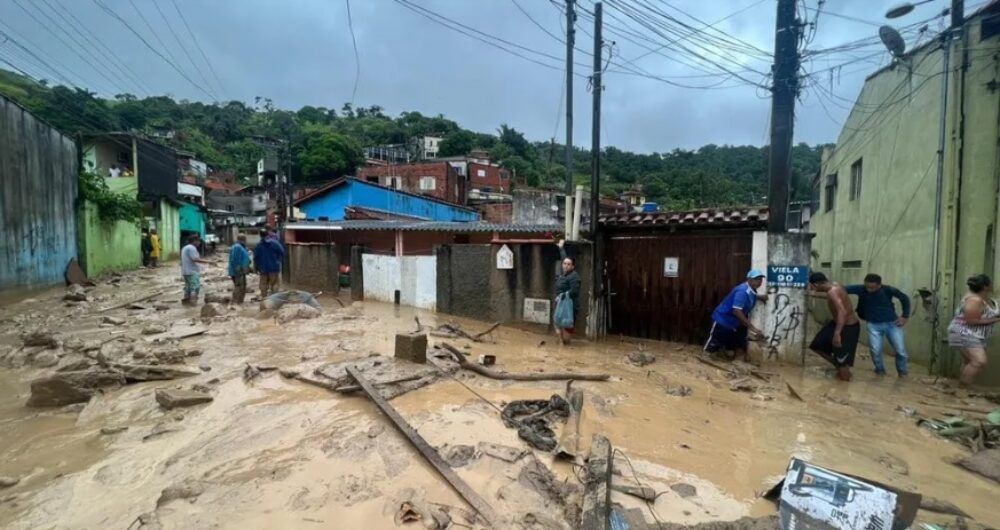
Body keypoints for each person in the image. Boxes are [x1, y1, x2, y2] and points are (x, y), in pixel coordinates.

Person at [845, 273, 912, 377]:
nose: (868, 290)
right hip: (873, 325)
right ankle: (880, 372)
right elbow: (842, 289)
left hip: (892, 324)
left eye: (872, 288)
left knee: (900, 351)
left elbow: (904, 298)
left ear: (879, 285)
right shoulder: (861, 289)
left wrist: (905, 316)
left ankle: (902, 373)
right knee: (875, 351)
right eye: (867, 286)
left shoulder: (888, 290)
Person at [947, 274, 1000, 388]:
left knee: (968, 361)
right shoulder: (974, 299)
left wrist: (995, 317)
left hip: (968, 334)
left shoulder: (983, 298)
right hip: (962, 332)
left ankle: (959, 390)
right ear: (985, 286)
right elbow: (971, 320)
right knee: (979, 361)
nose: (992, 284)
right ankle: (961, 389)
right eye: (990, 282)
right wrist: (996, 320)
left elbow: (986, 314)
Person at [704, 269, 768, 361]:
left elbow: (749, 295)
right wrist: (753, 328)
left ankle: (720, 353)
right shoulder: (742, 291)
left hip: (731, 322)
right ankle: (706, 357)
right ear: (749, 279)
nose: (759, 282)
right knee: (714, 342)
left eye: (760, 279)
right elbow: (737, 311)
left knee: (727, 344)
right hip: (722, 319)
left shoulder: (751, 290)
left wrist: (759, 297)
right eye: (756, 279)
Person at [808, 272, 862, 381]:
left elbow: (842, 312)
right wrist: (811, 294)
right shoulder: (835, 287)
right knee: (817, 345)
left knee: (842, 361)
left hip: (847, 327)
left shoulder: (832, 292)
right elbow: (831, 298)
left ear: (816, 285)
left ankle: (845, 385)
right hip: (836, 323)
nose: (811, 288)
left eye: (811, 286)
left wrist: (837, 333)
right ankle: (838, 365)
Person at [554, 239, 581, 345]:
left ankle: (565, 344)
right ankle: (561, 343)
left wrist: (561, 296)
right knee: (557, 322)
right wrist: (561, 248)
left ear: (573, 266)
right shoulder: (565, 273)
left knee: (567, 329)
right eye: (564, 264)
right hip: (561, 303)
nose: (565, 265)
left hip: (570, 306)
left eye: (568, 264)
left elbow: (574, 291)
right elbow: (563, 258)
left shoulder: (574, 277)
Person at [180, 234, 213, 305]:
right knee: (195, 287)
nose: (200, 243)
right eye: (199, 241)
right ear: (194, 241)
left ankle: (186, 303)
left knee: (188, 287)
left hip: (185, 271)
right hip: (192, 271)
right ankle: (193, 304)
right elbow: (195, 259)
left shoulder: (185, 247)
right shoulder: (192, 248)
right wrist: (208, 262)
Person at [253, 229, 285, 302]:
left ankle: (264, 300)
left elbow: (255, 258)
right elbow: (282, 252)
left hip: (263, 268)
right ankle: (274, 300)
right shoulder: (275, 243)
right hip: (274, 267)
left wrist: (256, 268)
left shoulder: (258, 245)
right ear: (267, 234)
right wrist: (278, 260)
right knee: (274, 284)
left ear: (260, 235)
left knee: (263, 285)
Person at [228, 235, 251, 305]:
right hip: (238, 271)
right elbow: (234, 259)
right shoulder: (237, 247)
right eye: (245, 240)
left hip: (241, 270)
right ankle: (235, 302)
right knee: (238, 286)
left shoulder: (241, 247)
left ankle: (240, 302)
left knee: (242, 286)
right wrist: (238, 269)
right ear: (243, 240)